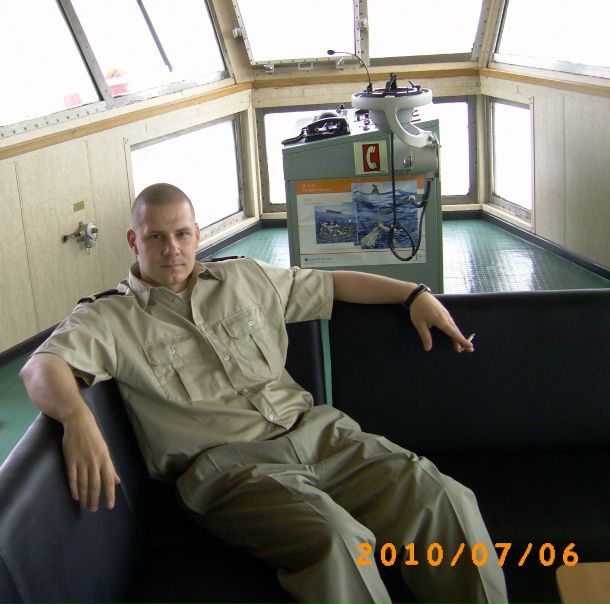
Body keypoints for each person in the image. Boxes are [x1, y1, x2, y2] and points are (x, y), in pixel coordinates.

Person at [20, 183, 508, 604]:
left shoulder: (245, 278)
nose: (172, 249)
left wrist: (413, 294)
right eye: (156, 237)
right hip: (232, 471)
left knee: (442, 497)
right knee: (338, 540)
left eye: (182, 234)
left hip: (321, 435)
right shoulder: (110, 318)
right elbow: (42, 365)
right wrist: (77, 418)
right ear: (134, 240)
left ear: (197, 234)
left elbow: (331, 284)